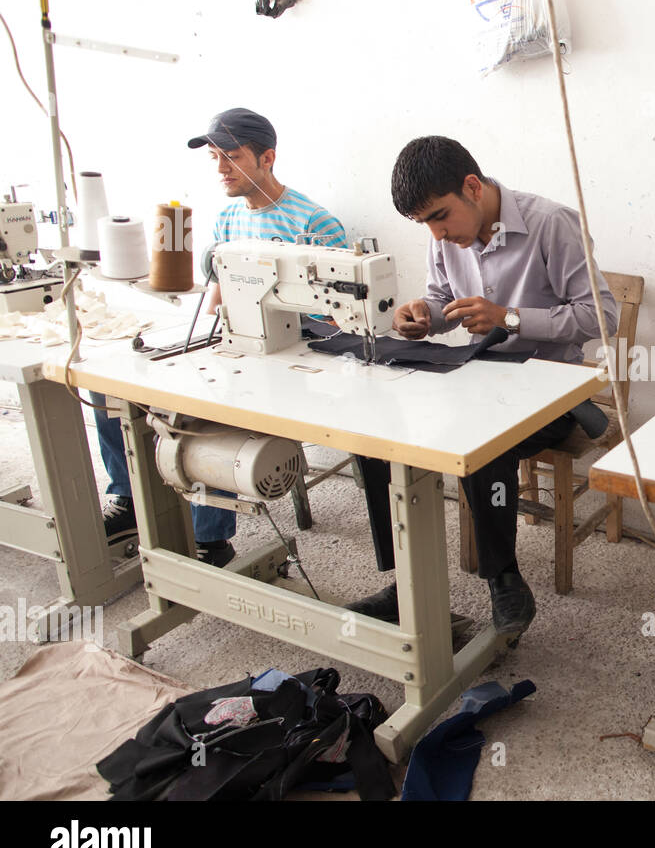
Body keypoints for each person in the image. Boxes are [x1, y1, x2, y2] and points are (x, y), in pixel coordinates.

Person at [346, 136, 618, 636]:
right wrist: (423, 316)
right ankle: (406, 580)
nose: (436, 232)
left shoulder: (550, 223)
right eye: (425, 223)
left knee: (481, 444)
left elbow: (601, 318)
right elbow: (443, 300)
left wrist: (509, 318)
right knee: (375, 428)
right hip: (479, 374)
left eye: (439, 217)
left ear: (473, 187)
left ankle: (503, 576)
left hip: (550, 390)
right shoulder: (445, 235)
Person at [95, 107, 347, 567]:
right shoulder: (227, 219)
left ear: (267, 157)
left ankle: (211, 540)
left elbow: (336, 322)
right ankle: (130, 502)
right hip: (234, 343)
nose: (220, 170)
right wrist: (191, 349)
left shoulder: (314, 223)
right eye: (214, 159)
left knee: (202, 409)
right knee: (108, 390)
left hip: (292, 355)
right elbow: (214, 301)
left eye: (231, 157)